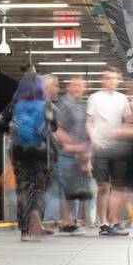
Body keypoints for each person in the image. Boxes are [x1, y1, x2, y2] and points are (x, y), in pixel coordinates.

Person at [0, 72, 56, 240]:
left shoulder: (14, 105)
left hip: (19, 151)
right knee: (39, 189)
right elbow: (54, 126)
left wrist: (13, 132)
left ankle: (24, 231)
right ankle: (36, 214)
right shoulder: (46, 105)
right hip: (41, 151)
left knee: (22, 190)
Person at [87, 66, 133, 236]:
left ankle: (114, 222)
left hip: (118, 147)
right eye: (108, 77)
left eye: (114, 78)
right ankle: (103, 224)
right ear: (102, 80)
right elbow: (89, 122)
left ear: (118, 80)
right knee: (104, 187)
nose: (111, 81)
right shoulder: (94, 98)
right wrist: (94, 140)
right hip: (101, 148)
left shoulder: (122, 99)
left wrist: (124, 138)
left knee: (118, 188)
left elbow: (127, 122)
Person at [54, 76, 92, 233]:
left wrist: (85, 151)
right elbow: (57, 128)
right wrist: (76, 146)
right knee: (66, 188)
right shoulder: (65, 103)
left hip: (79, 154)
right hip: (66, 153)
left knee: (73, 189)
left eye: (80, 86)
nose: (77, 88)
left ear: (85, 88)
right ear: (68, 87)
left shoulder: (83, 105)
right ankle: (65, 222)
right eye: (74, 85)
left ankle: (69, 221)